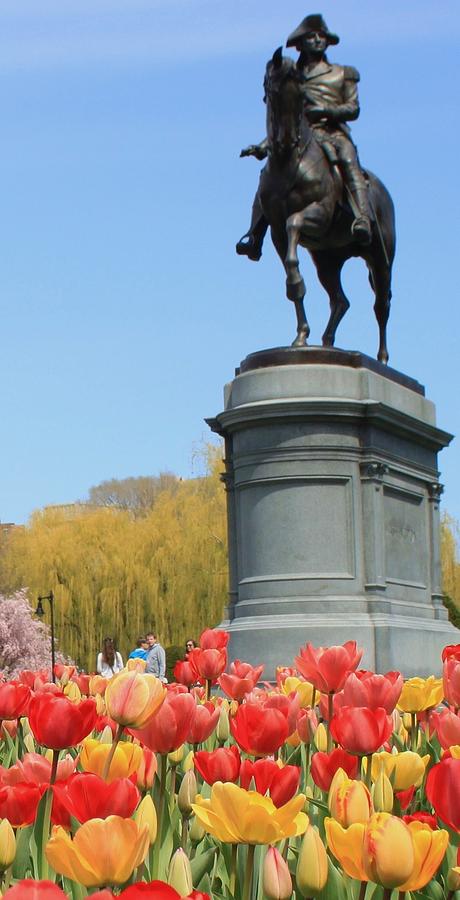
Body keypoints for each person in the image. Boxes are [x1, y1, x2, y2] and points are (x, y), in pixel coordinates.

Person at [236, 14, 372, 261]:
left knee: (348, 159)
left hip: (332, 134)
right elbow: (284, 117)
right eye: (311, 36)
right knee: (268, 174)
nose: (318, 40)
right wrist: (264, 145)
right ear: (300, 44)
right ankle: (255, 235)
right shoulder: (292, 75)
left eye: (322, 36)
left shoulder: (343, 73)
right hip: (298, 136)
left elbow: (353, 109)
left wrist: (326, 110)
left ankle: (362, 217)